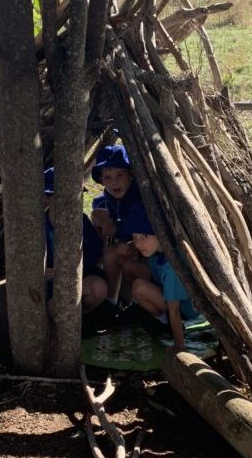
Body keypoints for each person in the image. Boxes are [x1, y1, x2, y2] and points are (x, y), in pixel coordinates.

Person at [123, 205, 200, 352]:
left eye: (144, 236)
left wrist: (179, 345)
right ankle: (153, 313)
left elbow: (175, 309)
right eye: (135, 237)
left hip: (185, 310)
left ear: (161, 234)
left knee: (140, 287)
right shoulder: (157, 251)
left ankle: (164, 323)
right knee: (129, 266)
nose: (138, 244)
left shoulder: (172, 267)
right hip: (165, 290)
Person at [90, 144, 151, 305]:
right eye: (107, 177)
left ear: (130, 175)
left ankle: (134, 303)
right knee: (110, 254)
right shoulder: (109, 196)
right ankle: (111, 303)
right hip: (130, 241)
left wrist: (118, 232)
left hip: (148, 247)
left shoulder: (138, 195)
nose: (114, 182)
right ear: (101, 180)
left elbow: (138, 224)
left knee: (116, 256)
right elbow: (115, 217)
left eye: (120, 175)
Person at [42, 168, 108, 314]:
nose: (66, 204)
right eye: (58, 198)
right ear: (47, 198)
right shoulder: (39, 226)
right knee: (54, 307)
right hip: (50, 284)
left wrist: (75, 266)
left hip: (80, 276)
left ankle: (82, 320)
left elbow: (96, 248)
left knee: (98, 288)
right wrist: (41, 270)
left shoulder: (81, 220)